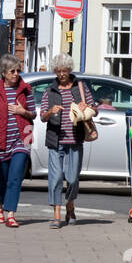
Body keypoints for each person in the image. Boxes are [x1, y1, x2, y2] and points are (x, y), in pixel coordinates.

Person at [40, 54, 92, 229]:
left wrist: (87, 108)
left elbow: (95, 110)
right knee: (55, 179)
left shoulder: (80, 88)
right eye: (58, 71)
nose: (61, 74)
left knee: (72, 179)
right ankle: (56, 215)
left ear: (69, 70)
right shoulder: (50, 91)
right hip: (56, 141)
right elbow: (42, 117)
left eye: (64, 70)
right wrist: (50, 111)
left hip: (75, 140)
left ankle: (70, 206)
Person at [0, 54, 34, 228]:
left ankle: (11, 214)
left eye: (18, 70)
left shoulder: (26, 89)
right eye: (12, 71)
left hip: (24, 137)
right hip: (1, 138)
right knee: (2, 177)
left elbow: (33, 114)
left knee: (15, 177)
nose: (16, 74)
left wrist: (23, 111)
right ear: (4, 73)